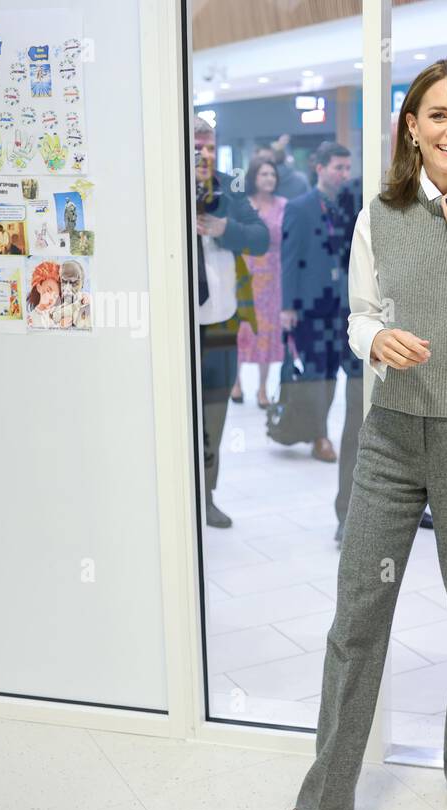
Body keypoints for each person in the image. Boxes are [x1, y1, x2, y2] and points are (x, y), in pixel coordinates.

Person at [277, 57, 447, 810]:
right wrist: (376, 335)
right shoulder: (377, 214)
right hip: (390, 437)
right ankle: (325, 795)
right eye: (437, 114)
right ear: (411, 125)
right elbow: (359, 314)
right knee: (357, 613)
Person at [280, 142, 365, 541]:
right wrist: (288, 306)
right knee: (319, 382)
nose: (342, 173)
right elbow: (291, 258)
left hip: (347, 312)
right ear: (319, 167)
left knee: (348, 391)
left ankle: (321, 435)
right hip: (314, 310)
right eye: (336, 166)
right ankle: (316, 432)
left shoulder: (354, 204)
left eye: (347, 166)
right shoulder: (299, 207)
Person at [193, 114, 269, 529]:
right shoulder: (164, 186)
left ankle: (206, 495)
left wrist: (225, 228)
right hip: (180, 325)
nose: (203, 152)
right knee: (179, 412)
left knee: (215, 413)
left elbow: (261, 238)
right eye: (195, 144)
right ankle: (177, 494)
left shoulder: (229, 185)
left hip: (222, 320)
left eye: (209, 144)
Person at [230, 157, 286, 410]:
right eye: (264, 174)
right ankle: (236, 382)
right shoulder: (244, 206)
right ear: (254, 177)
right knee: (242, 329)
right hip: (246, 271)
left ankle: (263, 387)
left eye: (272, 174)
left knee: (268, 331)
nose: (269, 179)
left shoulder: (284, 206)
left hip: (274, 275)